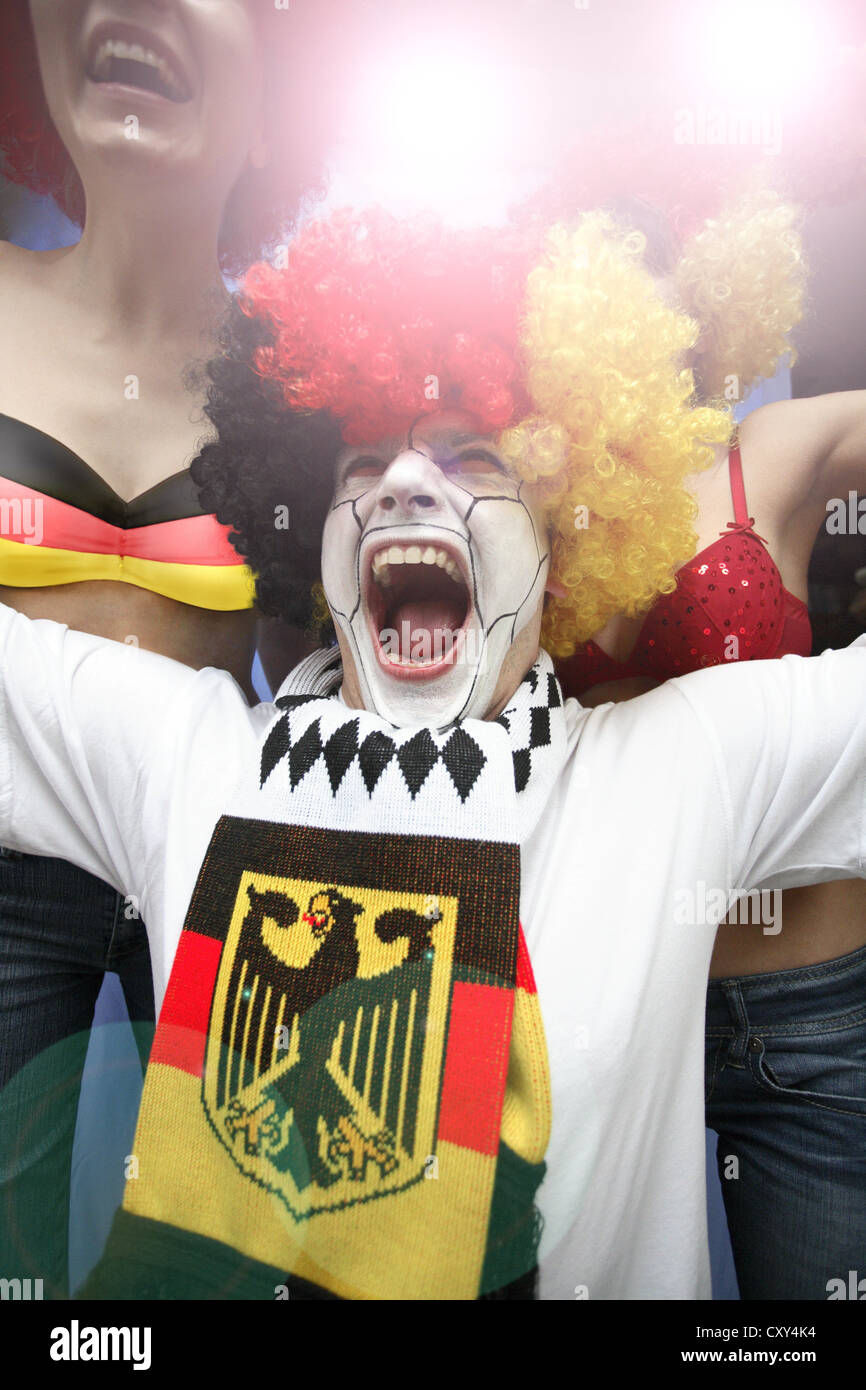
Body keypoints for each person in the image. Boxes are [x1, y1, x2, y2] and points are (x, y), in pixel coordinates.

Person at [0, 206, 861, 1300]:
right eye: (360, 466)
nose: (406, 484)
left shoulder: (679, 763)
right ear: (314, 555)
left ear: (557, 555)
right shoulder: (180, 751)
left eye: (475, 458)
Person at [0, 0, 343, 1298]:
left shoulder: (306, 389)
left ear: (286, 81)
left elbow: (335, 692)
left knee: (243, 1268)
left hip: (212, 878)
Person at [539, 152, 866, 1298]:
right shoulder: (519, 503)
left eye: (661, 273)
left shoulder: (765, 453)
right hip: (602, 1008)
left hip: (798, 1006)